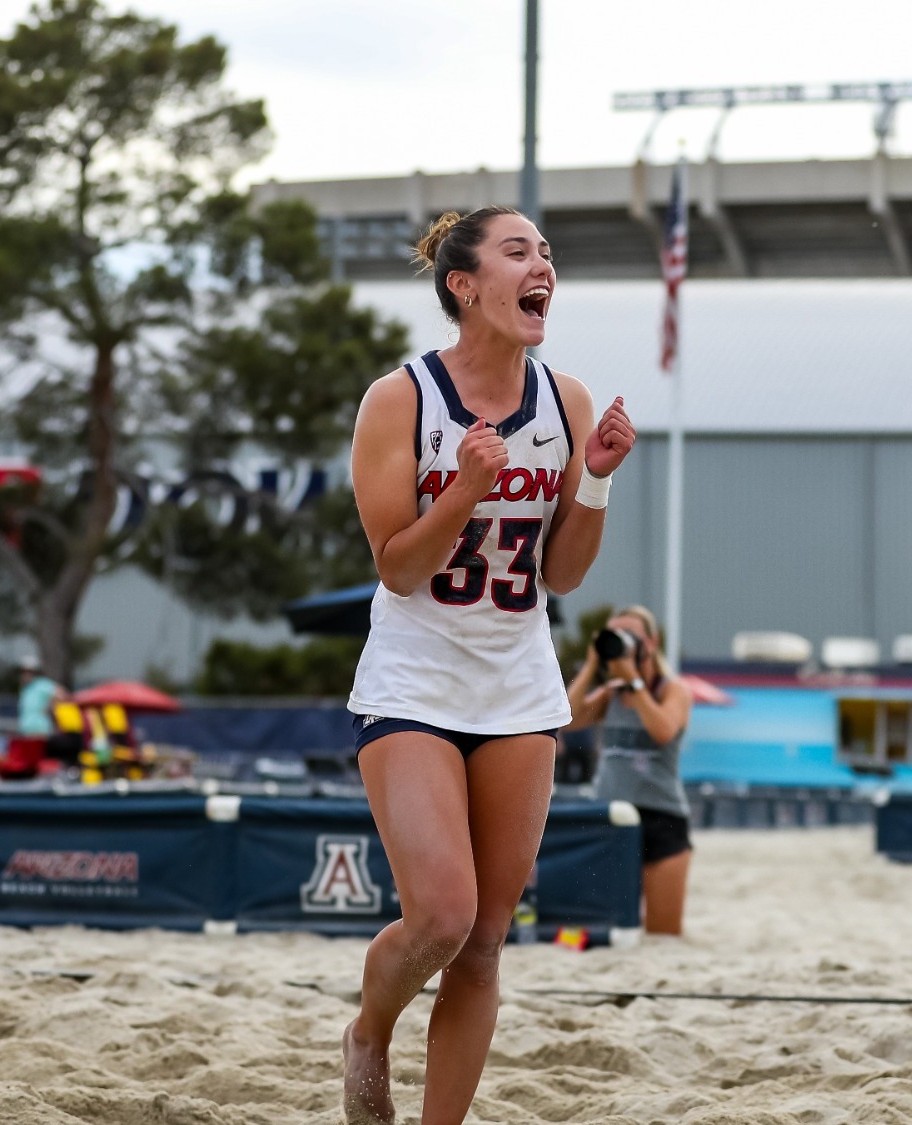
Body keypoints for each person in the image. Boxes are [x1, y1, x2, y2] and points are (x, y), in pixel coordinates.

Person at [340, 206, 635, 1125]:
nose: (542, 265)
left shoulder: (566, 400)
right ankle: (370, 1028)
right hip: (415, 675)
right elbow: (396, 565)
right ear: (464, 285)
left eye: (548, 252)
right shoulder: (402, 399)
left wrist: (597, 477)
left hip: (516, 681)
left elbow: (564, 573)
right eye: (519, 251)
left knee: (482, 945)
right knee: (440, 915)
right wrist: (467, 487)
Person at [565, 605, 694, 936]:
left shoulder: (671, 689)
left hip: (662, 817)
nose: (621, 643)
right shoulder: (612, 694)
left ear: (650, 643)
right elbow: (567, 718)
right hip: (613, 817)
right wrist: (594, 663)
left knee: (662, 935)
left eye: (630, 637)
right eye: (614, 636)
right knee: (607, 929)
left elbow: (663, 730)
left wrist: (634, 681)